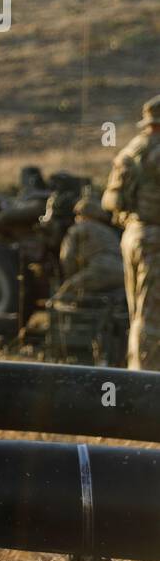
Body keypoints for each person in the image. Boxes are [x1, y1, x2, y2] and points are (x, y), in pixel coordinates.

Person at [102, 95, 160, 370]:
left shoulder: (131, 151)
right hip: (156, 241)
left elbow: (111, 201)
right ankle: (148, 385)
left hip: (133, 236)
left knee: (137, 312)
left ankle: (136, 376)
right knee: (152, 318)